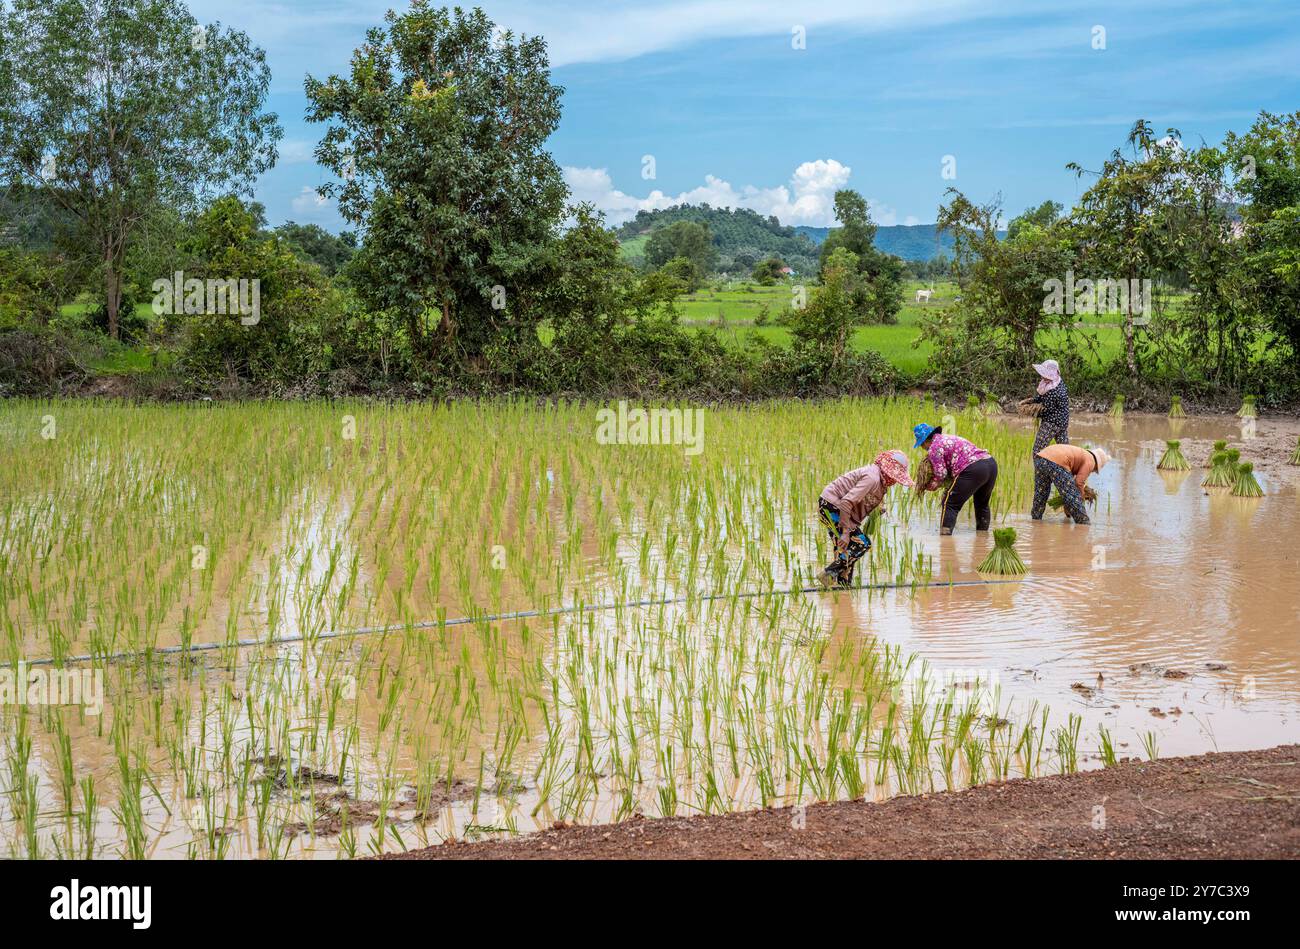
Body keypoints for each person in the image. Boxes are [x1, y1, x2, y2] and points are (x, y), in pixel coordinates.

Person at [817, 450, 915, 588]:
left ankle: (842, 586)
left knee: (847, 547)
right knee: (862, 543)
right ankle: (828, 574)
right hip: (832, 506)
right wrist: (845, 532)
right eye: (894, 476)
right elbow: (846, 502)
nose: (894, 481)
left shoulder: (879, 479)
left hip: (839, 508)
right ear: (887, 472)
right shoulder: (872, 478)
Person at [913, 423, 998, 535]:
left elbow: (941, 473)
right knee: (982, 504)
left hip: (973, 468)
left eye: (921, 445)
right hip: (990, 464)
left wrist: (933, 485)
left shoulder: (934, 448)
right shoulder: (947, 438)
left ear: (924, 442)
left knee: (950, 503)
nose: (923, 448)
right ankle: (982, 537)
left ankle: (945, 540)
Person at [1031, 443, 1111, 524]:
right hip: (1056, 461)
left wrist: (1067, 504)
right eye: (1095, 470)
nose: (1093, 471)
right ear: (1097, 465)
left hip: (1040, 458)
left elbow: (1067, 486)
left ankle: (1035, 522)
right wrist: (1081, 498)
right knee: (1076, 501)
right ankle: (1083, 524)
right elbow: (1079, 482)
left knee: (1040, 495)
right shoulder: (1091, 461)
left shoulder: (1082, 455)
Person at [1020, 359, 1070, 453]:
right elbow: (1041, 397)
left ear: (1051, 374)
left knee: (1038, 450)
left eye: (1045, 374)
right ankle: (1067, 467)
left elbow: (1046, 411)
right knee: (1065, 451)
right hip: (1062, 421)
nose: (1042, 376)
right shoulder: (1051, 382)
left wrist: (1031, 411)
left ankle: (1042, 467)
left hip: (1053, 422)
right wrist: (1030, 401)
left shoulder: (1055, 390)